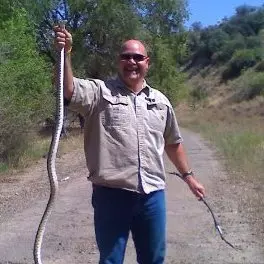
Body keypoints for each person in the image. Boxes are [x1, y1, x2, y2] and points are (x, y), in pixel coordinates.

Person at [54, 26, 206, 264]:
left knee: (154, 259)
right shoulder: (99, 93)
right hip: (111, 196)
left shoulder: (161, 102)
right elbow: (69, 90)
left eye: (138, 57)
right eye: (126, 56)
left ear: (147, 63)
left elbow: (173, 143)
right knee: (111, 260)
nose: (131, 61)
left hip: (152, 196)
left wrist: (189, 177)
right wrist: (65, 53)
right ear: (118, 61)